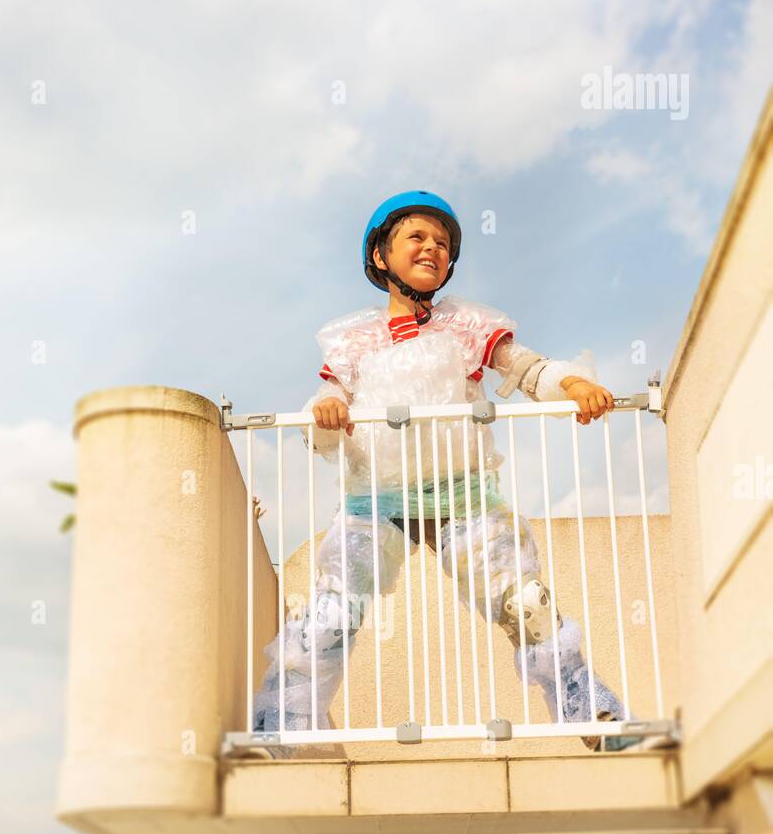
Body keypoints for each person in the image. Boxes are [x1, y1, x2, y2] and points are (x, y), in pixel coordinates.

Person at [252, 190, 650, 754]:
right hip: (376, 501)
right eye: (416, 237)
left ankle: (595, 714)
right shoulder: (350, 340)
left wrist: (575, 385)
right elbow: (325, 407)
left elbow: (527, 369)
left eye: (442, 243)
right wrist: (326, 416)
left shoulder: (467, 324)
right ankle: (276, 732)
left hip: (462, 495)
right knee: (331, 613)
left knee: (527, 601)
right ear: (380, 258)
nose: (432, 249)